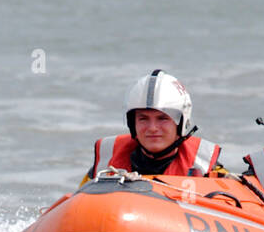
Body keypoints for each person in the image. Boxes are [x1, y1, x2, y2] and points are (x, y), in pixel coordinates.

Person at [81, 69, 222, 185]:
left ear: (180, 124)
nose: (153, 127)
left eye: (162, 118)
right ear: (133, 124)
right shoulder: (104, 165)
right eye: (143, 119)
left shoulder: (207, 169)